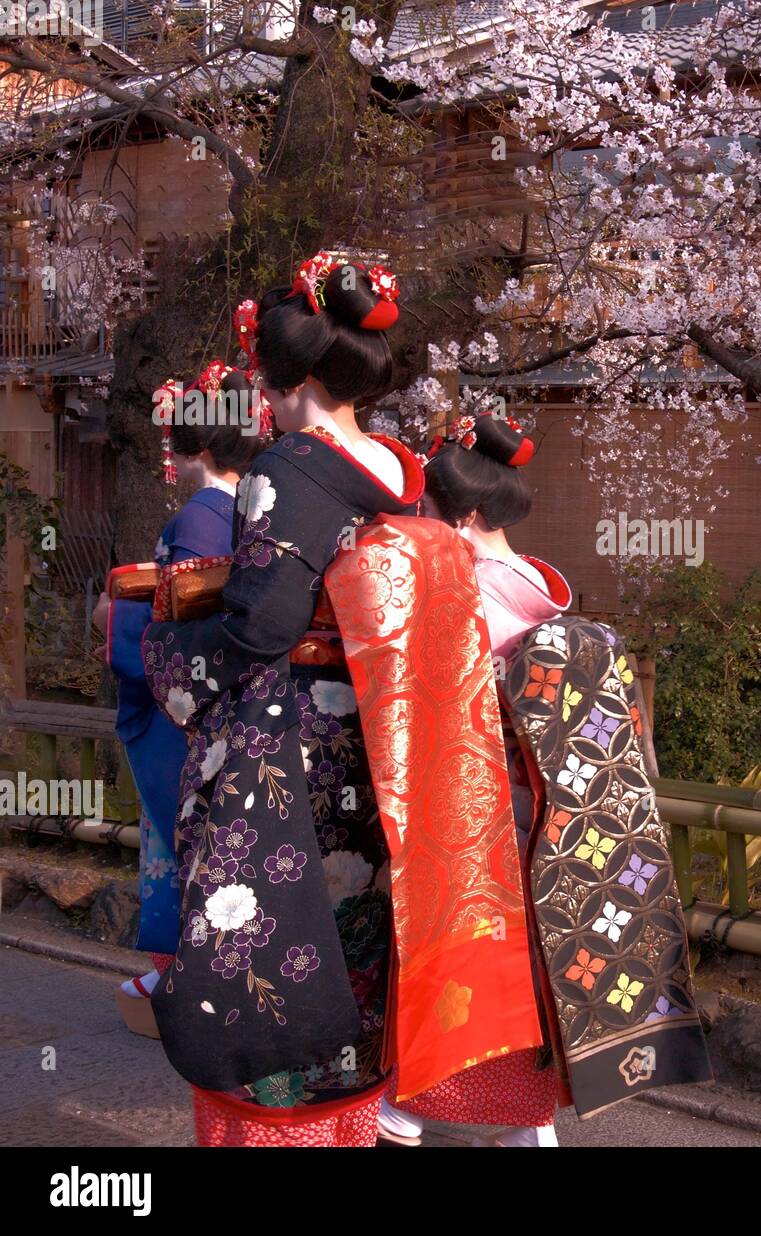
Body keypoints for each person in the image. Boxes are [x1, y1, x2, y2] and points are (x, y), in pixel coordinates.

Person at [139, 253, 422, 1146]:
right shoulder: (402, 472)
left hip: (287, 757)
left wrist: (167, 645)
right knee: (356, 932)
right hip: (370, 737)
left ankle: (274, 1122)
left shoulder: (291, 467)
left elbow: (261, 624)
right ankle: (349, 1114)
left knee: (266, 945)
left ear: (278, 377)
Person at [376, 413, 571, 1146]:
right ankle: (523, 1123)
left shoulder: (472, 590)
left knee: (457, 956)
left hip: (478, 795)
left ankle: (414, 1096)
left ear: (459, 514)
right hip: (531, 796)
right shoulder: (534, 582)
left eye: (427, 512)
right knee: (514, 966)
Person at [94, 363, 266, 1035]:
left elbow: (168, 626)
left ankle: (184, 975)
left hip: (183, 713)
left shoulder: (196, 519)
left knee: (181, 843)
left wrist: (115, 615)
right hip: (240, 704)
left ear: (191, 443)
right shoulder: (254, 515)